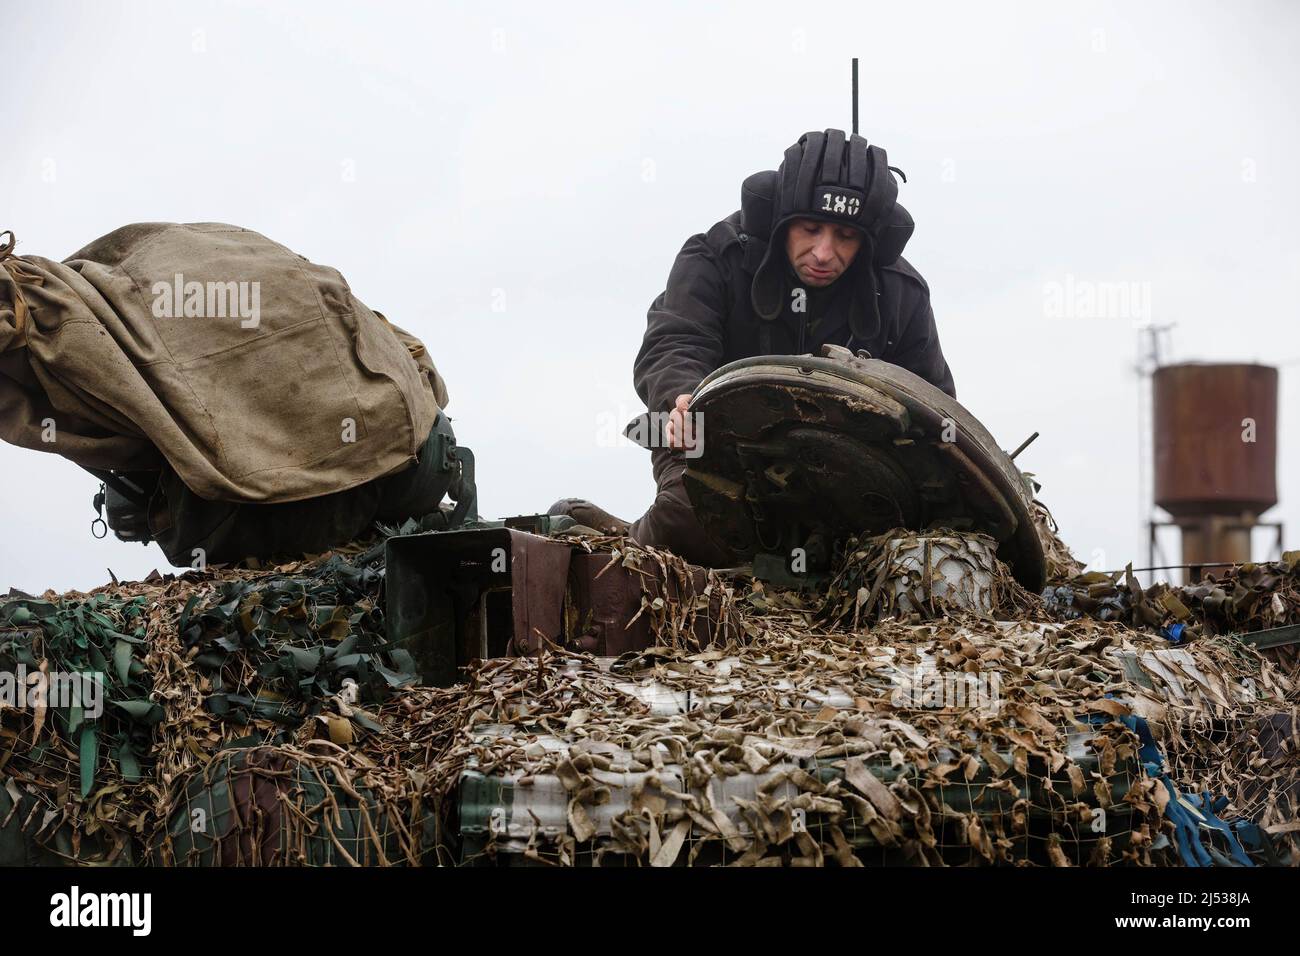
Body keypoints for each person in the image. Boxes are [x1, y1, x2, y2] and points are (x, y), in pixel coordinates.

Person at [552, 129, 956, 566]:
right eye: (810, 228)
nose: (823, 252)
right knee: (692, 524)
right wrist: (680, 396)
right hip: (716, 440)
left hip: (845, 466)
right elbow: (675, 338)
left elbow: (935, 401)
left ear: (869, 242)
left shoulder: (900, 292)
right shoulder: (716, 256)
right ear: (780, 221)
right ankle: (627, 541)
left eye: (844, 235)